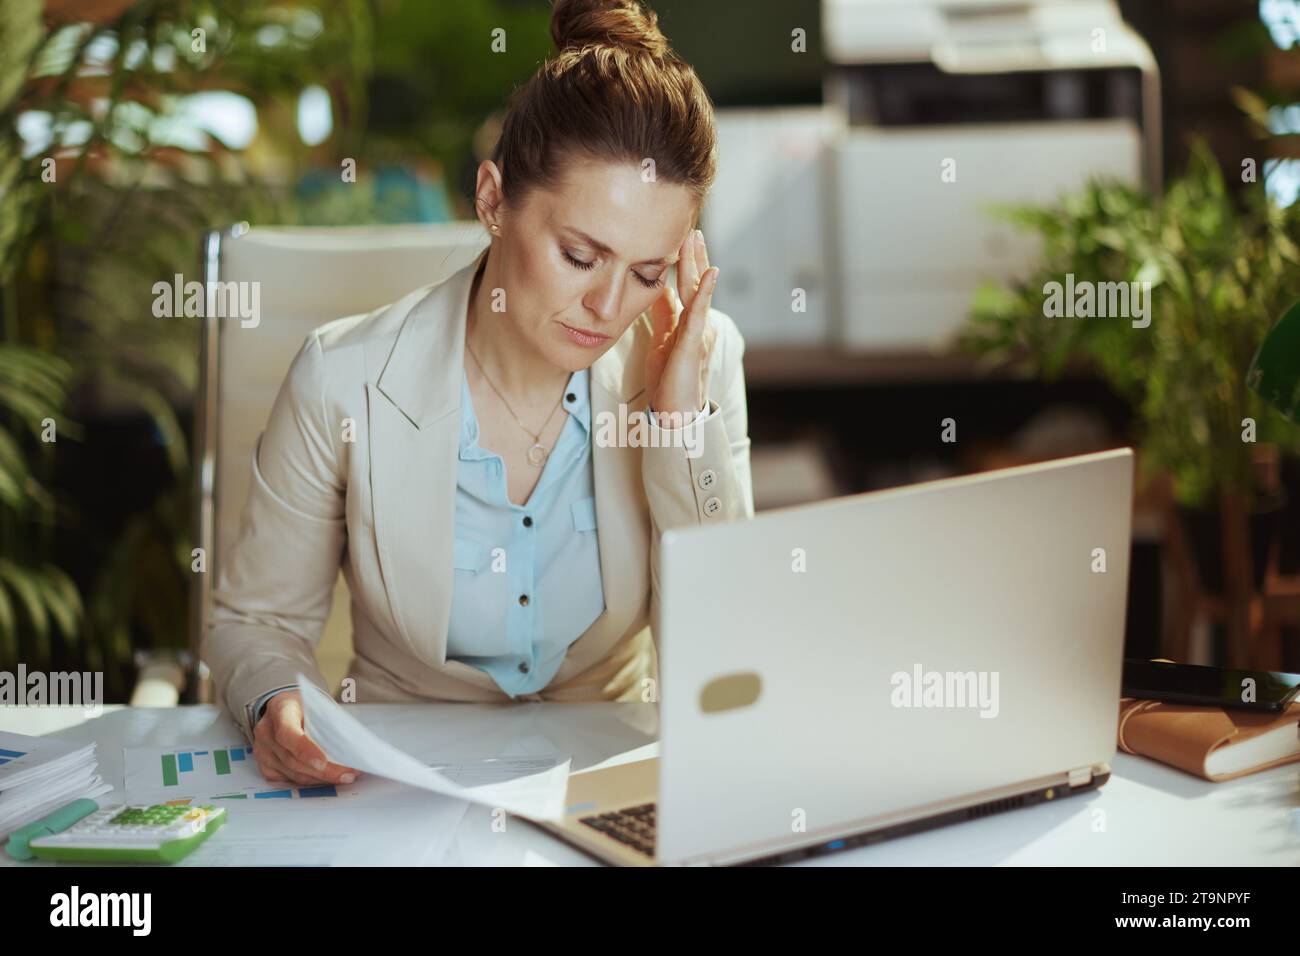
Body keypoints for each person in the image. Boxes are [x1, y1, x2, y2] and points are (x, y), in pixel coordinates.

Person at [201, 0, 754, 788]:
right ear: (492, 199)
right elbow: (256, 623)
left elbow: (731, 655)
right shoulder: (343, 377)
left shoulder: (694, 367)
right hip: (398, 777)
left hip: (606, 780)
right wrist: (275, 700)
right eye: (578, 254)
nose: (607, 308)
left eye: (646, 273)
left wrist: (676, 428)